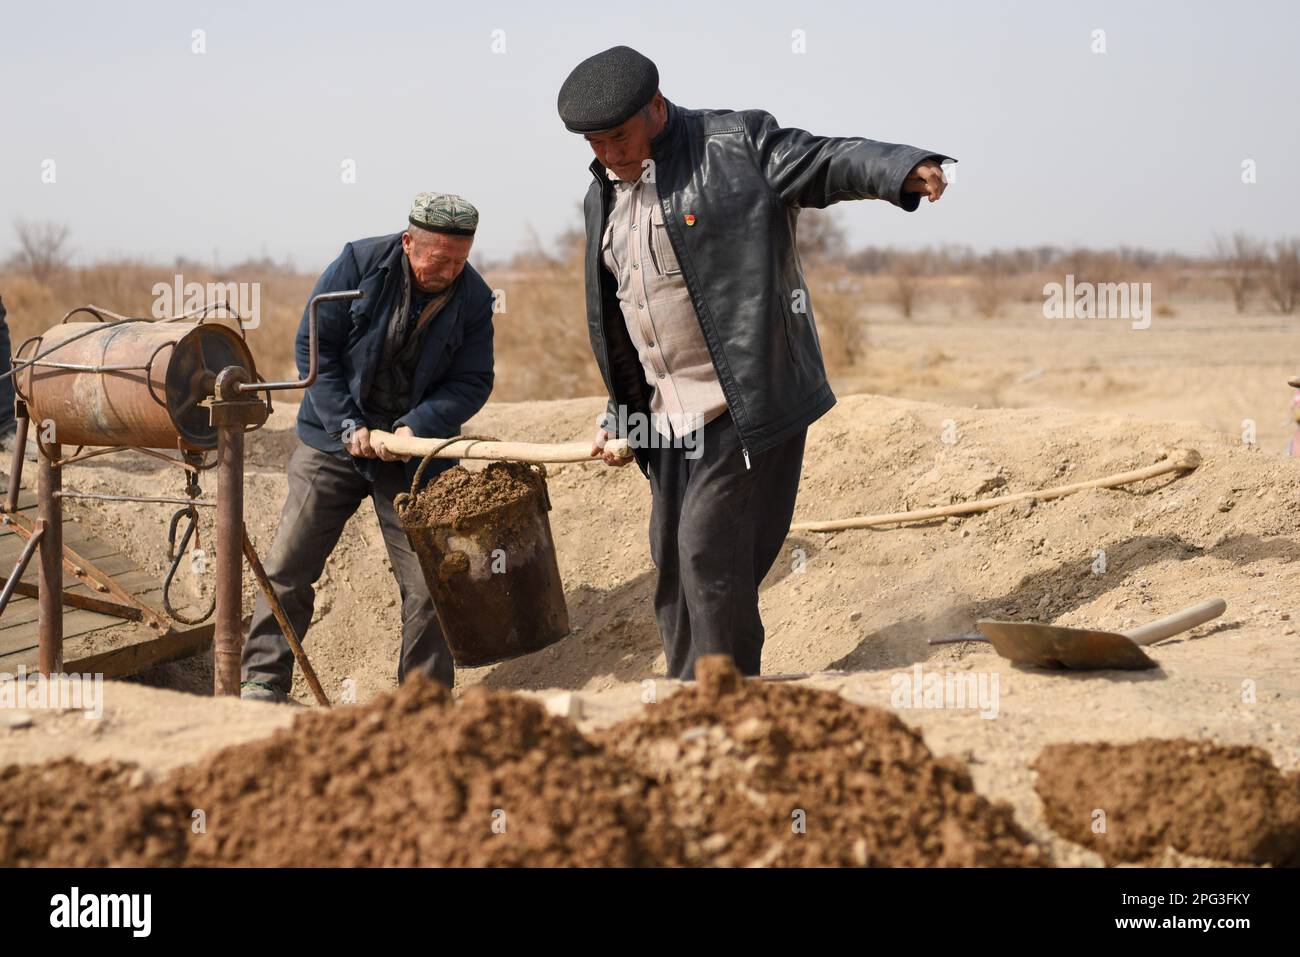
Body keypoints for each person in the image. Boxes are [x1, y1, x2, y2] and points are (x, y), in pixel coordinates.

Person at [557, 45, 953, 679]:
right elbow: (624, 314)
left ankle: (726, 696)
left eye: (619, 136)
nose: (610, 153)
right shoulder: (603, 195)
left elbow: (825, 160)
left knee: (710, 550)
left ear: (656, 107)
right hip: (664, 416)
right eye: (595, 143)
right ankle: (691, 691)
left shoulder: (735, 144)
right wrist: (622, 414)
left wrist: (902, 168)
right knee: (672, 558)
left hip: (741, 396)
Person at [240, 193, 494, 702]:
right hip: (334, 442)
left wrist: (413, 428)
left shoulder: (473, 297)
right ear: (407, 242)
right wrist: (345, 422)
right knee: (289, 565)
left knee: (431, 584)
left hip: (413, 455)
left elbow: (472, 381)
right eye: (437, 259)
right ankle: (262, 682)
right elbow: (315, 348)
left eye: (459, 261)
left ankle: (422, 701)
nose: (447, 271)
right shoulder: (358, 263)